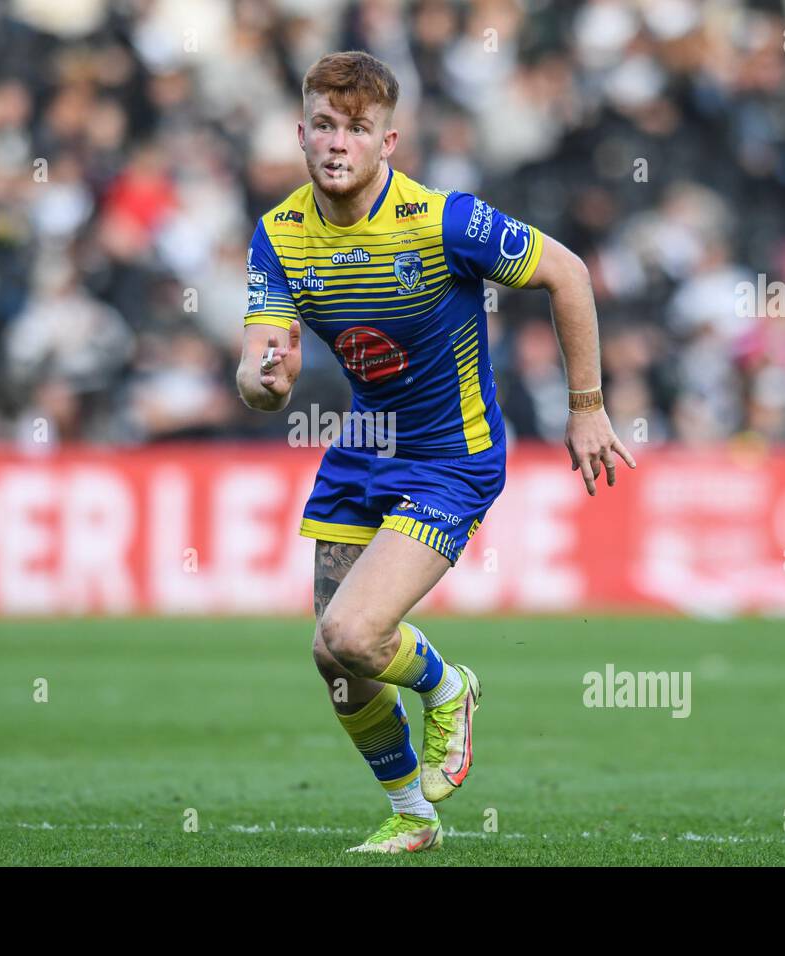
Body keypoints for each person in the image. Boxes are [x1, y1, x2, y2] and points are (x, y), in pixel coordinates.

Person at [235, 51, 634, 853]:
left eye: (357, 128)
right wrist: (264, 381)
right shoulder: (279, 234)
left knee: (352, 633)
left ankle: (450, 687)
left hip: (453, 457)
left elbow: (570, 273)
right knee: (336, 661)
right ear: (300, 133)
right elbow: (260, 376)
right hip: (362, 449)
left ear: (390, 142)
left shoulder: (445, 220)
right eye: (323, 126)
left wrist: (586, 406)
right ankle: (412, 818)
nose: (336, 143)